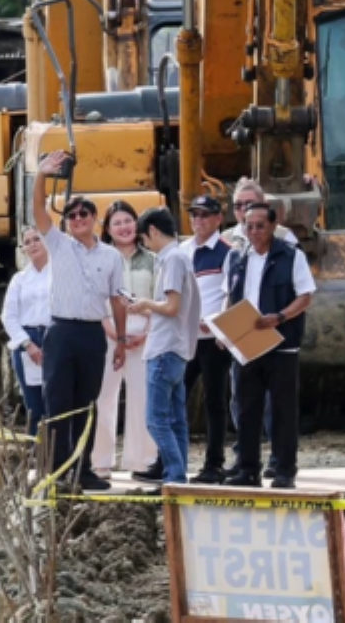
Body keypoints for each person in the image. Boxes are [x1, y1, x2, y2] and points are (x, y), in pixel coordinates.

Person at [34, 150, 128, 492]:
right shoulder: (59, 245)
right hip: (61, 331)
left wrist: (119, 339)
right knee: (57, 404)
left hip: (92, 333)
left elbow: (118, 299)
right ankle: (57, 471)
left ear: (94, 218)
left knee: (87, 403)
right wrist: (41, 175)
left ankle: (83, 468)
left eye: (84, 213)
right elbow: (38, 211)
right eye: (72, 215)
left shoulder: (111, 256)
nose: (78, 218)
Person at [222, 203, 316, 489]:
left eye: (260, 226)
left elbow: (306, 295)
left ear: (273, 227)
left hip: (281, 346)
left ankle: (285, 469)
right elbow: (230, 297)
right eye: (249, 226)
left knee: (282, 410)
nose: (254, 232)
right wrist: (224, 328)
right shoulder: (236, 258)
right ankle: (248, 469)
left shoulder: (291, 257)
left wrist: (280, 317)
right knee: (247, 408)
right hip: (247, 345)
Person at [127, 207, 200, 486]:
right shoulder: (181, 257)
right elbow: (172, 310)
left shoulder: (172, 259)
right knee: (176, 420)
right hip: (177, 348)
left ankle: (175, 476)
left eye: (144, 239)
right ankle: (177, 476)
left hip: (164, 348)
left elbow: (171, 307)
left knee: (156, 420)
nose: (145, 245)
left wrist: (146, 303)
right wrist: (143, 307)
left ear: (153, 231)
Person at [90, 201, 157, 480]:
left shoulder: (154, 260)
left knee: (143, 398)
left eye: (128, 220)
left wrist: (148, 332)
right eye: (117, 223)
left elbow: (161, 299)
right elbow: (95, 299)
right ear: (107, 229)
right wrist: (112, 332)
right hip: (107, 332)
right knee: (104, 397)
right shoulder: (101, 259)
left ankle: (142, 461)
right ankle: (100, 462)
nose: (124, 227)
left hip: (144, 335)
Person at [180, 195, 235, 485]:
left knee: (215, 401)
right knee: (176, 397)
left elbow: (229, 294)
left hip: (214, 339)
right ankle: (172, 460)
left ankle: (214, 464)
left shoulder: (228, 252)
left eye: (205, 215)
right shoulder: (182, 251)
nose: (198, 219)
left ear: (217, 219)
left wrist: (219, 327)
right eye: (194, 214)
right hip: (186, 337)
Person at [2, 227, 50, 437]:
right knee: (34, 405)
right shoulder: (19, 280)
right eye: (27, 242)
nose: (33, 244)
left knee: (57, 402)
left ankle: (60, 455)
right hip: (27, 343)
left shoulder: (61, 275)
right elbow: (9, 316)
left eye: (37, 239)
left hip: (55, 339)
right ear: (23, 249)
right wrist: (28, 344)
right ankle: (36, 456)